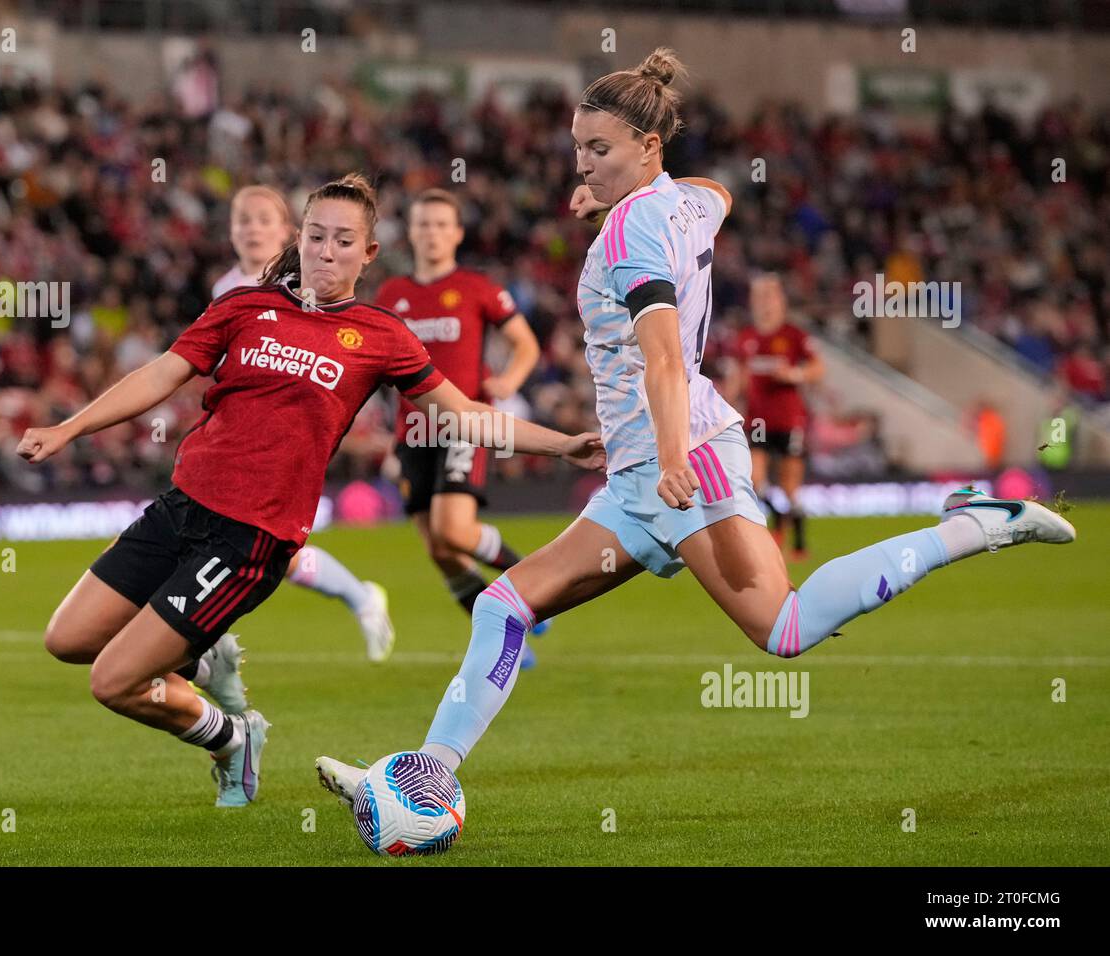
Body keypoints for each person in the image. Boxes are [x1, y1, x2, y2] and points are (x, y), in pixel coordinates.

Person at [315, 50, 1076, 809]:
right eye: (578, 149)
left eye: (600, 151)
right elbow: (716, 194)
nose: (583, 166)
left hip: (685, 459)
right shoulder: (684, 201)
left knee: (784, 628)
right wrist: (605, 196)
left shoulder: (629, 238)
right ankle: (427, 777)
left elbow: (666, 361)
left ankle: (977, 525)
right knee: (502, 605)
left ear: (649, 148)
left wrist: (674, 455)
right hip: (637, 478)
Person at [18, 174, 604, 809]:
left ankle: (232, 738)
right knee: (67, 641)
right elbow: (164, 371)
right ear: (299, 238)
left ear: (369, 253)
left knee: (114, 681)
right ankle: (205, 671)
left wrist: (562, 443)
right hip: (181, 506)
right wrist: (69, 428)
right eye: (316, 235)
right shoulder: (244, 307)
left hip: (252, 537)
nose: (327, 250)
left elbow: (465, 413)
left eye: (344, 240)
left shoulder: (379, 335)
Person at [213, 184, 396, 663]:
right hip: (236, 442)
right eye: (242, 219)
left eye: (262, 219)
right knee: (269, 554)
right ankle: (359, 597)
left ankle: (206, 653)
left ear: (289, 234)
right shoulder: (227, 290)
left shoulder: (317, 291)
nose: (251, 228)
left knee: (258, 549)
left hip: (289, 445)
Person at [375, 189, 549, 668]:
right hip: (411, 433)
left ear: (457, 233)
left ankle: (532, 581)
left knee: (454, 531)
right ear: (410, 232)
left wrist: (508, 381)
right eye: (422, 224)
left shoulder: (477, 288)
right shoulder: (392, 295)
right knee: (439, 548)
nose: (431, 232)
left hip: (460, 423)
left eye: (440, 224)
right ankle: (504, 642)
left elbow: (525, 344)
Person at [731, 273, 824, 560]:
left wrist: (794, 374)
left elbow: (818, 368)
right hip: (757, 421)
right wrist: (727, 399)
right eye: (759, 296)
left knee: (789, 484)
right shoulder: (746, 337)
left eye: (769, 295)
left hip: (789, 420)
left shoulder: (794, 335)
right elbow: (740, 376)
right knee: (755, 480)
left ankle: (798, 542)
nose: (764, 302)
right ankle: (778, 518)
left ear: (780, 299)